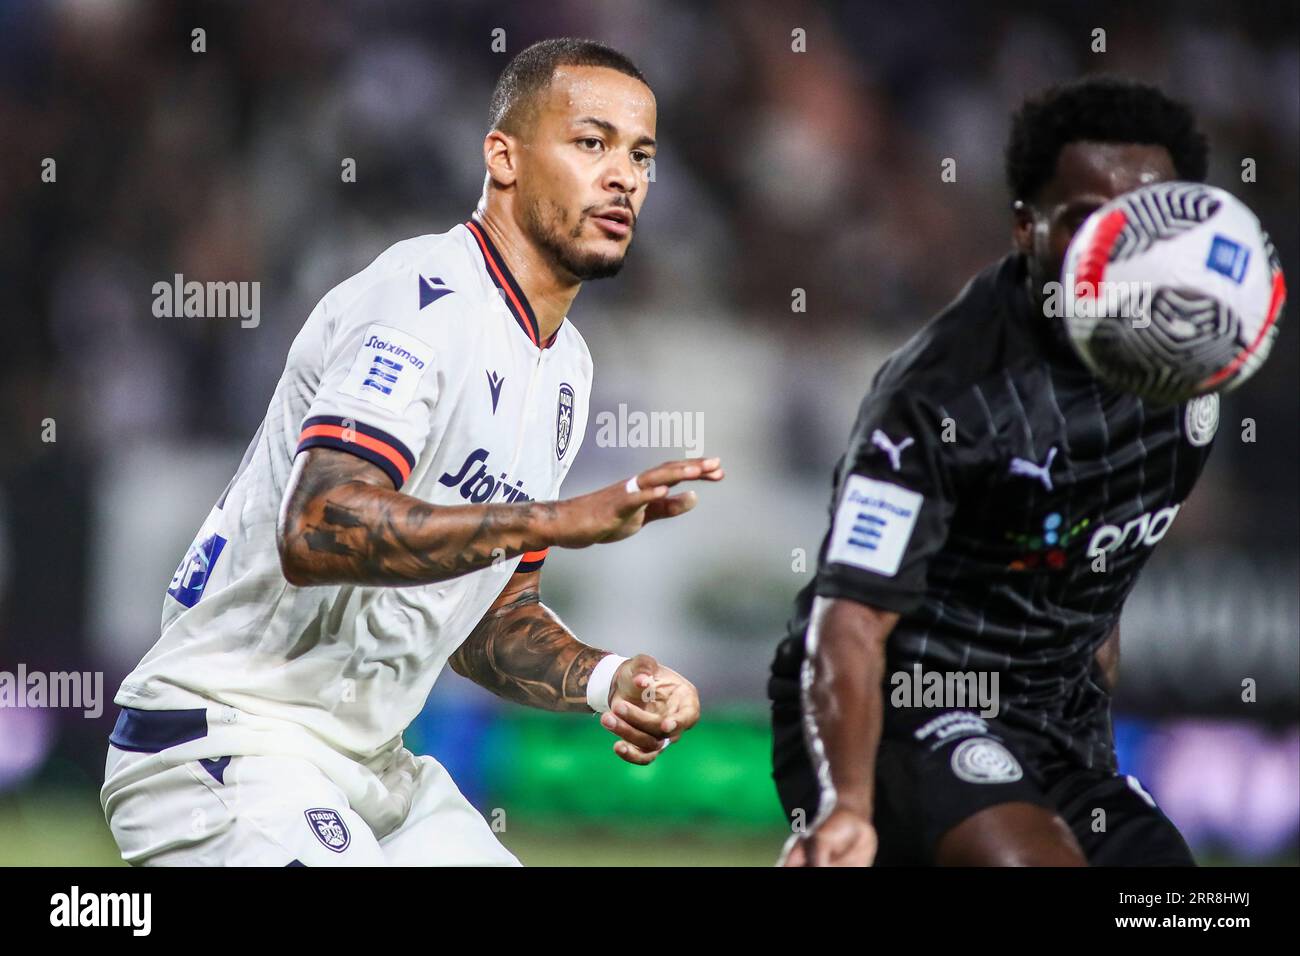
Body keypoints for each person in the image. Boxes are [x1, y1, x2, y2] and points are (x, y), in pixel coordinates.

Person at [102, 38, 722, 866]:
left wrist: (611, 680)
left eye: (641, 155)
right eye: (591, 142)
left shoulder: (566, 368)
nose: (624, 177)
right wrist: (552, 518)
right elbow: (316, 528)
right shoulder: (422, 301)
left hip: (374, 770)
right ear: (503, 157)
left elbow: (489, 620)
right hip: (229, 740)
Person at [770, 76, 1221, 866]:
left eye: (1142, 220)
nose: (1115, 246)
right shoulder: (945, 396)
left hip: (1054, 729)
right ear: (1025, 227)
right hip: (908, 704)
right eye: (1084, 218)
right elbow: (849, 622)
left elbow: (1097, 576)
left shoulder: (1195, 371)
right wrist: (846, 808)